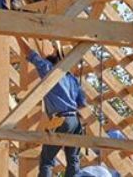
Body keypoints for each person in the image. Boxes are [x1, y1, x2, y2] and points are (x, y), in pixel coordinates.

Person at [24, 42, 87, 177]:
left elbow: (31, 54)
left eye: (53, 53)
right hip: (75, 121)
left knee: (47, 160)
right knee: (73, 160)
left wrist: (17, 36)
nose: (50, 54)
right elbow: (82, 103)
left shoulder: (49, 70)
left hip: (61, 119)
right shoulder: (72, 78)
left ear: (58, 57)